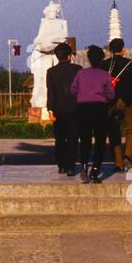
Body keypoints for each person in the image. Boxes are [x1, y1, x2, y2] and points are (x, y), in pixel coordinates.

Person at [70, 45, 117, 182]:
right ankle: (96, 169)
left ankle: (84, 166)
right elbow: (111, 94)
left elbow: (73, 90)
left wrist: (83, 94)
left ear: (89, 59)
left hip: (83, 108)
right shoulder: (105, 75)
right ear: (102, 59)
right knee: (100, 140)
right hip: (99, 108)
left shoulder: (81, 73)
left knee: (85, 139)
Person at [45, 42, 82, 174]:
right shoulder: (78, 69)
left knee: (60, 139)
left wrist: (50, 111)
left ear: (57, 56)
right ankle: (71, 166)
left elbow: (51, 93)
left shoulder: (51, 72)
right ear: (69, 56)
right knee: (73, 139)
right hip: (75, 109)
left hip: (58, 110)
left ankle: (61, 165)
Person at [108, 37, 132, 172]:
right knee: (130, 130)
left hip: (111, 102)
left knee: (114, 132)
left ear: (110, 50)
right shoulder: (131, 64)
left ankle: (118, 161)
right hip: (129, 101)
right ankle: (128, 156)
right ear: (123, 49)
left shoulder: (106, 65)